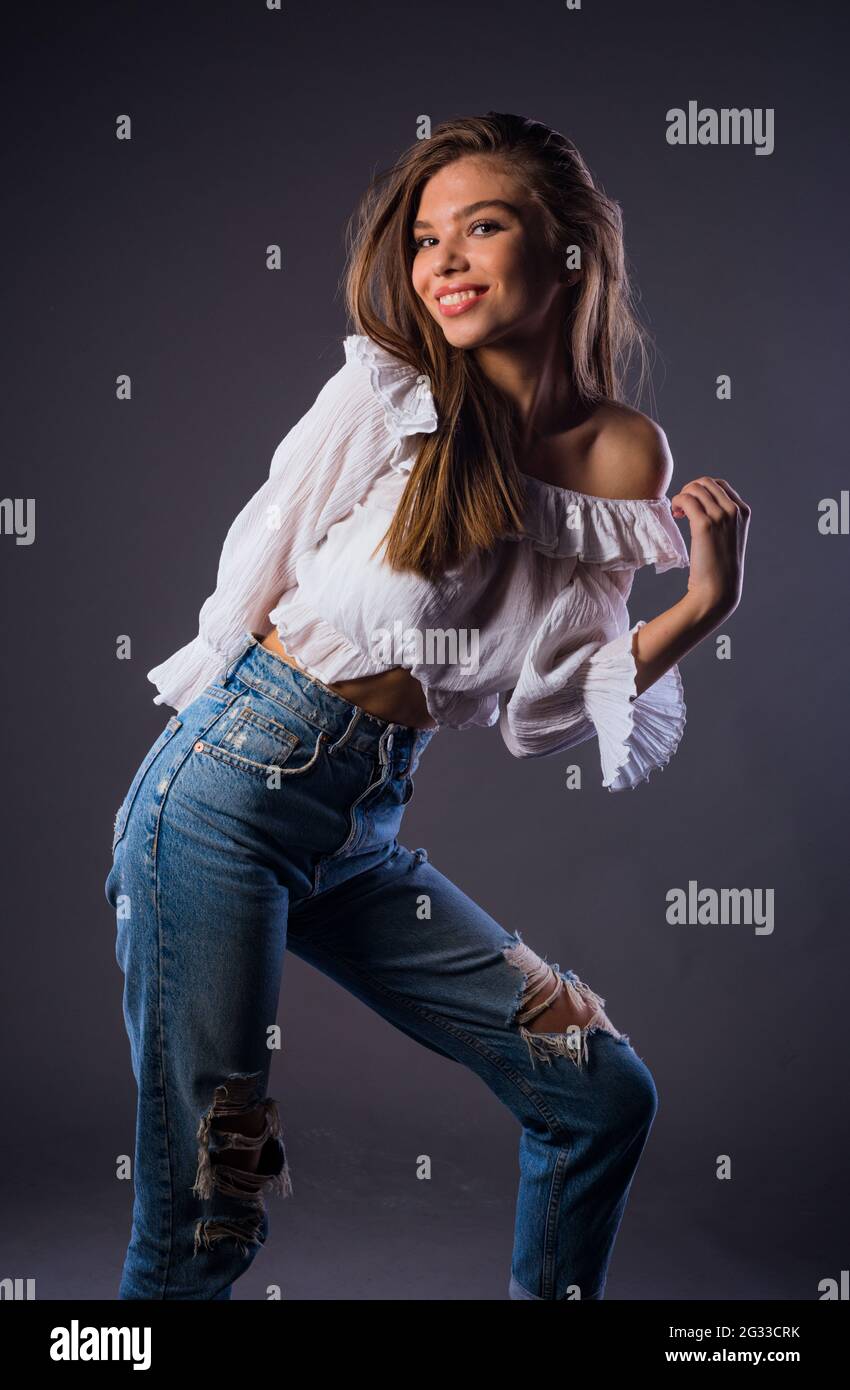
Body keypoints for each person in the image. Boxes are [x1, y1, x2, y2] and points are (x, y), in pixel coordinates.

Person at [104, 111, 750, 1301]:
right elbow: (258, 562)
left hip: (360, 827)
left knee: (598, 1090)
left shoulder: (619, 459)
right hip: (224, 795)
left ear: (567, 253)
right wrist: (209, 737)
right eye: (425, 238)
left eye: (482, 228)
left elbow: (543, 713)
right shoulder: (387, 393)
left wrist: (701, 602)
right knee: (211, 1210)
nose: (443, 260)